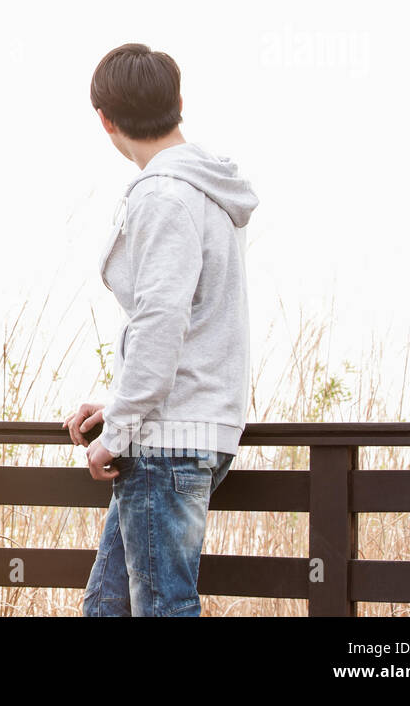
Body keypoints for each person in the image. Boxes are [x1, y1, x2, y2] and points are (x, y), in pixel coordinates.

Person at [64, 42, 258, 617]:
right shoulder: (206, 191)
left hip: (169, 441)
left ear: (105, 119)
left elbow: (161, 323)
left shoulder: (163, 194)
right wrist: (121, 404)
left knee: (163, 609)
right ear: (178, 101)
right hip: (191, 427)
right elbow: (187, 323)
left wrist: (116, 432)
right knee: (107, 607)